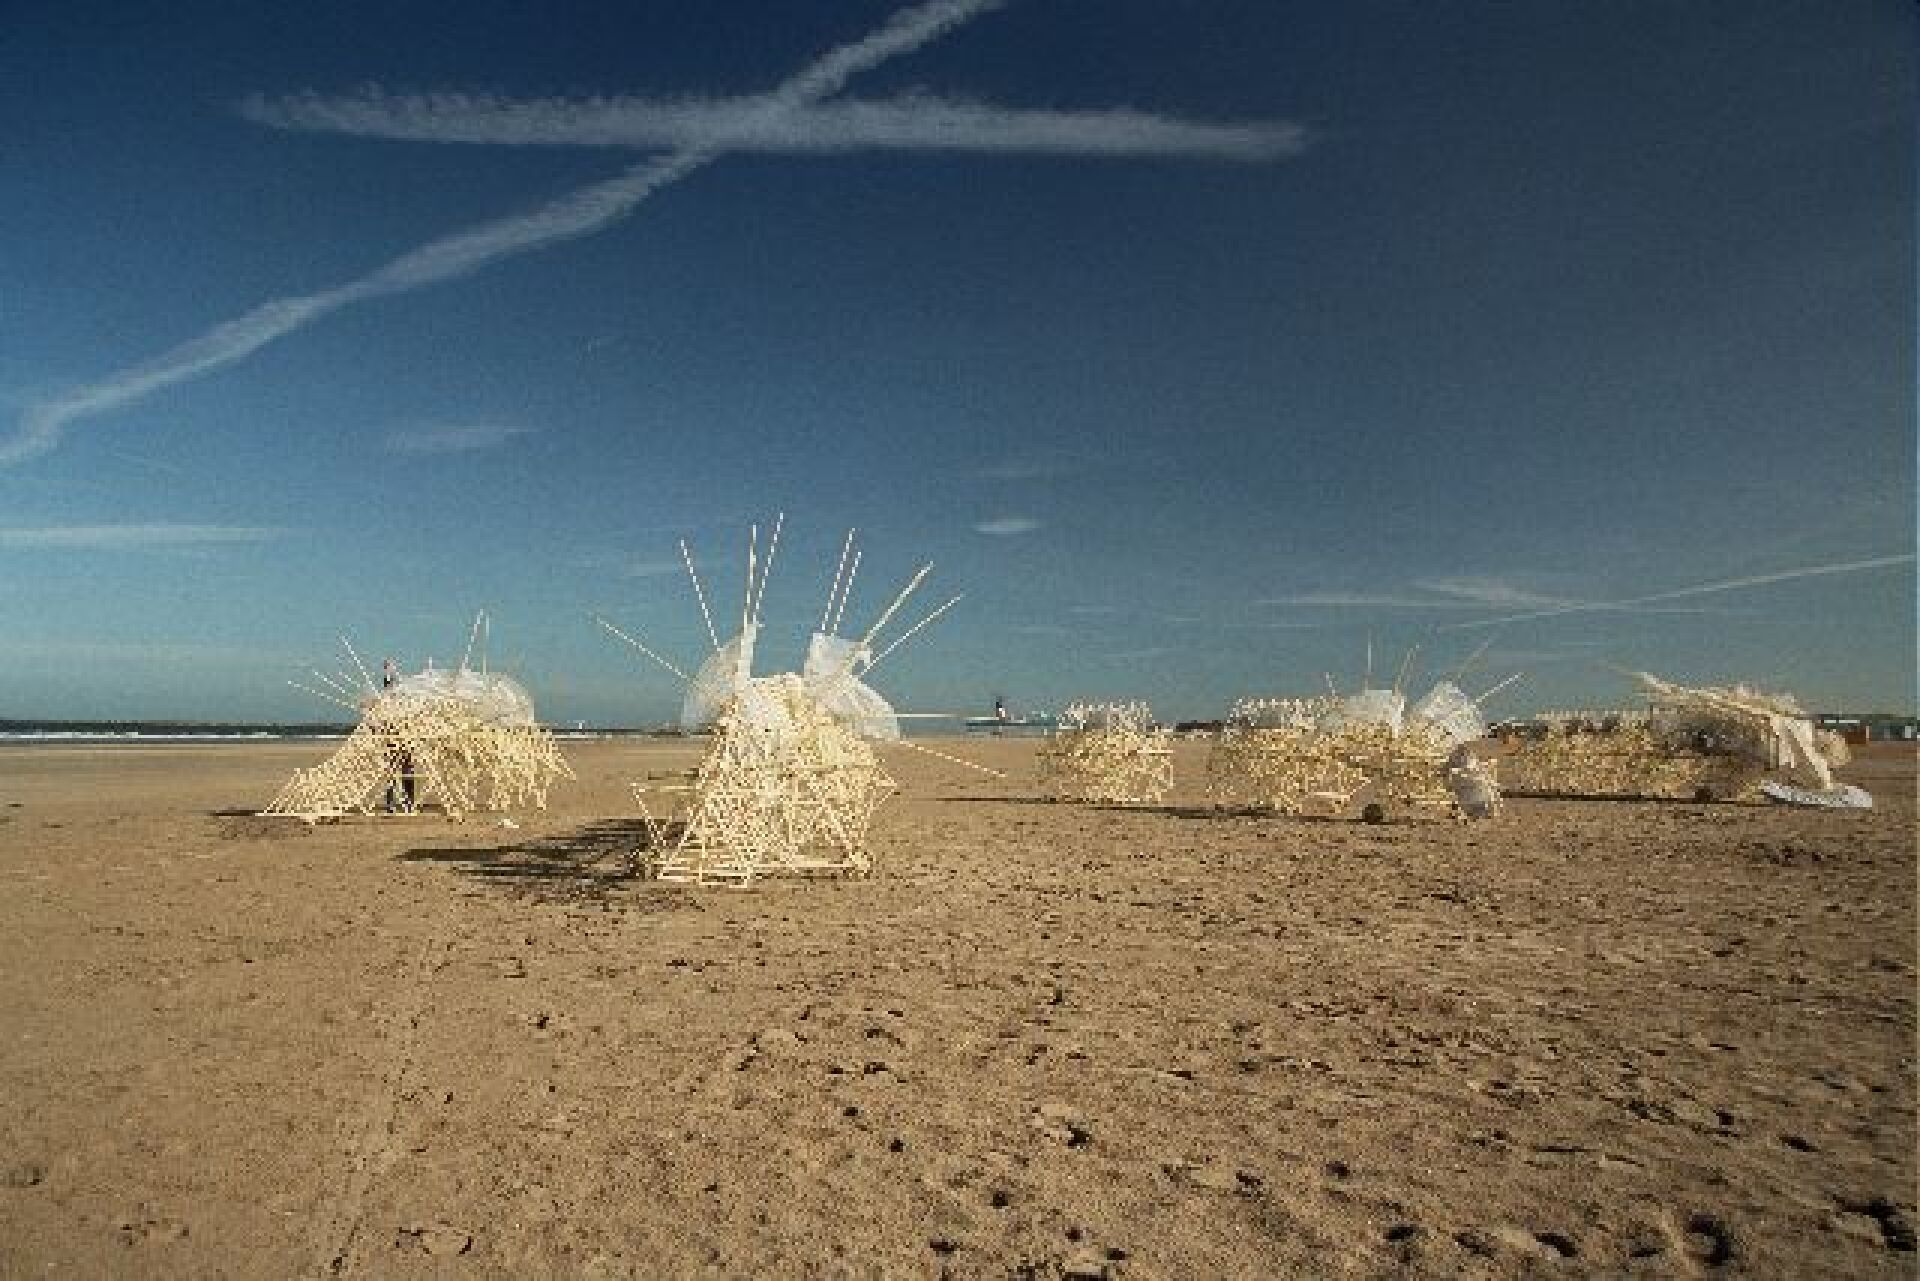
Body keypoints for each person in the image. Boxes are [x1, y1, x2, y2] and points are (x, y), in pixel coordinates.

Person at [382, 658, 417, 814]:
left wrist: (391, 672)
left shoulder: (407, 708)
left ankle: (408, 802)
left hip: (405, 741)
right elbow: (388, 689)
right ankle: (391, 803)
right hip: (392, 741)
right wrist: (388, 672)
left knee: (407, 772)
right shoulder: (389, 705)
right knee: (392, 772)